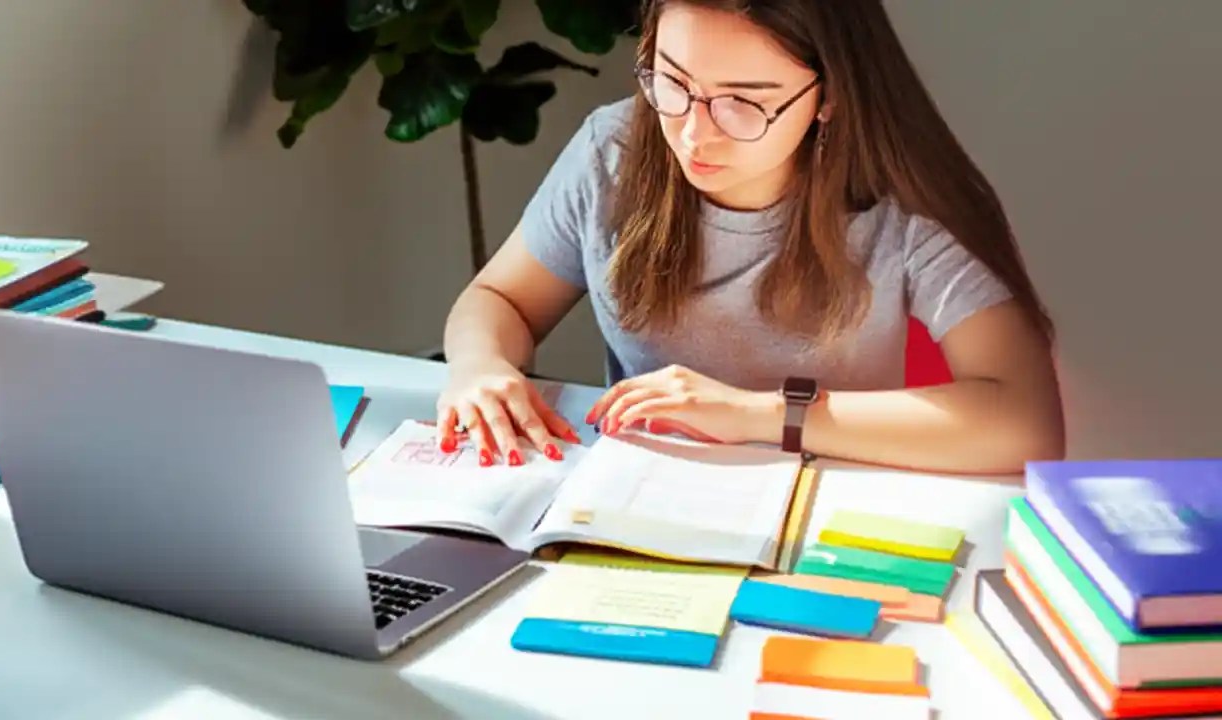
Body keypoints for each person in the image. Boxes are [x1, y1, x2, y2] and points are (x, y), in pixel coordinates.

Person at [436, 0, 1065, 475]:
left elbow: (1026, 421)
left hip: (832, 508)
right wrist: (478, 364)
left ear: (830, 98)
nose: (693, 134)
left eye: (743, 103)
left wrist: (758, 415)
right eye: (673, 82)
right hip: (636, 495)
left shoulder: (897, 207)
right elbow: (502, 298)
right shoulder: (616, 150)